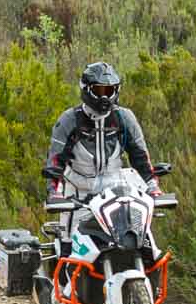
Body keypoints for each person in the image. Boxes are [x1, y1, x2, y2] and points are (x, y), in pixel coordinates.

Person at [44, 62, 159, 202]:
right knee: (70, 217)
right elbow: (56, 160)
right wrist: (54, 191)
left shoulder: (124, 117)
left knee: (141, 216)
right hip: (77, 194)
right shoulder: (69, 119)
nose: (104, 97)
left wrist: (152, 186)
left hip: (115, 190)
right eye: (99, 91)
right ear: (86, 89)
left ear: (116, 91)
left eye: (109, 91)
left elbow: (140, 156)